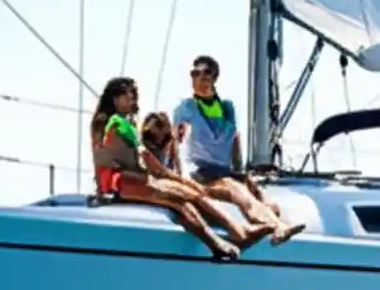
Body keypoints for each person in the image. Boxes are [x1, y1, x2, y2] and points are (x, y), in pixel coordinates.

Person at [90, 76, 273, 260]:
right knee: (182, 198)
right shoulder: (115, 123)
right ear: (115, 98)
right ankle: (226, 238)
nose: (133, 100)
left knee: (189, 198)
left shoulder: (110, 122)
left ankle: (234, 233)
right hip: (122, 182)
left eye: (133, 96)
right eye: (128, 96)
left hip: (126, 179)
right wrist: (175, 178)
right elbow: (144, 157)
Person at [172, 55, 306, 245]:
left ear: (215, 78)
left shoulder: (227, 107)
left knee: (259, 193)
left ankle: (279, 222)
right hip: (201, 174)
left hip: (225, 170)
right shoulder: (186, 107)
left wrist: (240, 169)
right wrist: (175, 174)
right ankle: (277, 227)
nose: (199, 78)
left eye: (206, 73)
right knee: (236, 190)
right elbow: (174, 140)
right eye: (195, 73)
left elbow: (234, 138)